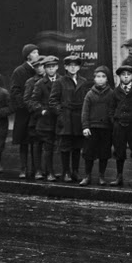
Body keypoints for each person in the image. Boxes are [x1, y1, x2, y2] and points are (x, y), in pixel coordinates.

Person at [52, 53, 90, 182]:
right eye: (70, 66)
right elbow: (53, 101)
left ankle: (75, 171)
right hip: (66, 118)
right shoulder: (60, 81)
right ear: (66, 67)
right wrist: (60, 114)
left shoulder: (84, 81)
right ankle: (66, 172)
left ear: (79, 68)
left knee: (77, 146)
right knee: (65, 146)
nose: (73, 68)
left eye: (76, 65)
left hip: (78, 117)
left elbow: (86, 99)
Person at [24, 53, 59, 180]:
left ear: (57, 67)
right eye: (48, 67)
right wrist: (42, 110)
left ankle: (51, 170)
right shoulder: (39, 83)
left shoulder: (61, 80)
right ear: (44, 68)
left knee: (54, 146)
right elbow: (32, 101)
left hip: (58, 118)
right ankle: (47, 171)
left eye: (53, 66)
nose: (51, 69)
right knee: (44, 145)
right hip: (43, 120)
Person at [80, 65, 115, 184]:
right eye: (98, 77)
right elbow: (85, 111)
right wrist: (85, 127)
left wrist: (112, 125)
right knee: (89, 153)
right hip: (92, 128)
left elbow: (113, 110)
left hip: (106, 128)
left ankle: (101, 176)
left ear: (107, 79)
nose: (100, 79)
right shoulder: (90, 94)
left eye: (103, 77)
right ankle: (87, 175)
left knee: (104, 153)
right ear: (94, 79)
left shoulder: (111, 94)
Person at [11, 45, 41, 178]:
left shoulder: (39, 69)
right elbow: (15, 91)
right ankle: (23, 168)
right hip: (24, 112)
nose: (37, 54)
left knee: (35, 141)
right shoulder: (19, 71)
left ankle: (36, 169)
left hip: (35, 112)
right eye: (35, 52)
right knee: (24, 142)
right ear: (28, 56)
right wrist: (24, 105)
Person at [111, 65, 132, 186]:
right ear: (120, 77)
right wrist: (114, 120)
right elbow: (111, 109)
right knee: (119, 150)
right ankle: (119, 175)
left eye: (128, 75)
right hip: (119, 125)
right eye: (123, 75)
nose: (126, 77)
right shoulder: (115, 92)